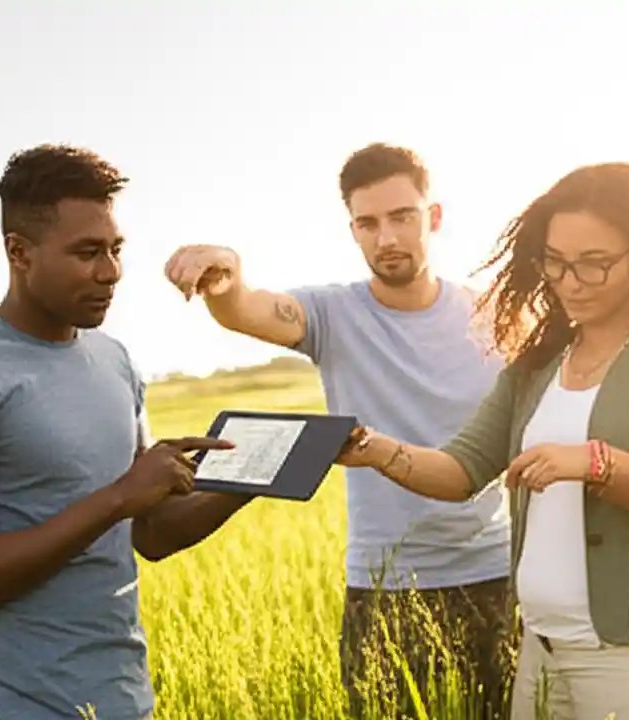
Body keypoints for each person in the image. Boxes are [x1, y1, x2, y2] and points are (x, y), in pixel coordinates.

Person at [336, 161, 629, 720]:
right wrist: (373, 449)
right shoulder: (535, 369)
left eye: (594, 264)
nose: (569, 282)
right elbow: (460, 472)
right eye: (555, 263)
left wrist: (598, 465)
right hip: (540, 653)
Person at [0, 143, 253, 720]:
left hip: (124, 699)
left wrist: (253, 476)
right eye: (87, 253)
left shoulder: (115, 360)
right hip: (15, 707)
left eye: (115, 249)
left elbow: (150, 535)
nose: (109, 272)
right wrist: (116, 498)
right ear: (19, 252)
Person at [164, 142, 513, 718]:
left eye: (402, 217)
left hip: (496, 574)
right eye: (367, 223)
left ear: (436, 217)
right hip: (385, 589)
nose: (387, 238)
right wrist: (225, 277)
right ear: (352, 229)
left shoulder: (491, 316)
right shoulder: (333, 315)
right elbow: (247, 307)